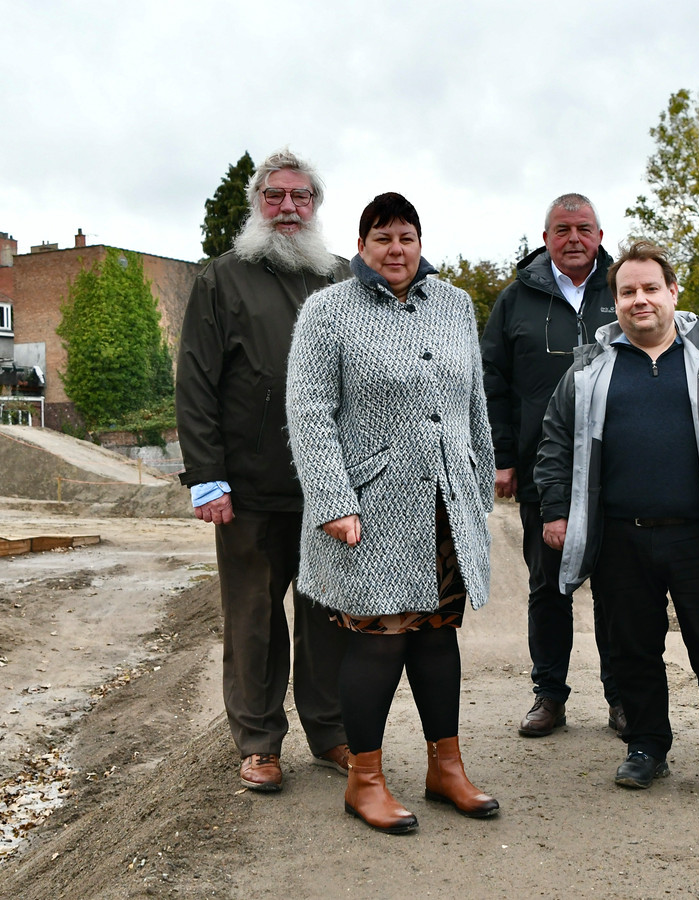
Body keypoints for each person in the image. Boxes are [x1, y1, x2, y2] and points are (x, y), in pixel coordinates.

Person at [536, 240, 699, 806]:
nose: (639, 299)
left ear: (673, 293)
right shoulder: (590, 366)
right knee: (632, 650)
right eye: (628, 291)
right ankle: (646, 747)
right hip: (621, 535)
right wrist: (556, 508)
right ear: (614, 301)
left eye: (651, 288)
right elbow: (555, 440)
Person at [286, 192, 499, 834]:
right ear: (361, 247)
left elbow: (474, 407)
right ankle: (365, 780)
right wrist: (332, 501)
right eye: (382, 238)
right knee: (379, 643)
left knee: (437, 636)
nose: (396, 250)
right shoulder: (328, 311)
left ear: (420, 242)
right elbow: (309, 411)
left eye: (406, 237)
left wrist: (478, 488)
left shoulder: (455, 305)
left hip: (444, 504)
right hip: (370, 510)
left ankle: (446, 768)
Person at [175, 148, 351, 792]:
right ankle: (260, 742)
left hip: (330, 490)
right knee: (254, 620)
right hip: (247, 488)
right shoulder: (222, 280)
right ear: (257, 203)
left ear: (316, 206)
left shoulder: (340, 280)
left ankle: (331, 734)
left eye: (300, 197)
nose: (287, 208)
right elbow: (196, 382)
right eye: (275, 196)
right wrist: (206, 475)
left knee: (328, 615)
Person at [481, 193, 623, 739]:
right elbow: (491, 381)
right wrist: (502, 456)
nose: (573, 238)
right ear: (546, 238)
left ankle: (622, 696)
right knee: (548, 586)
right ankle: (549, 695)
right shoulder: (517, 299)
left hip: (620, 466)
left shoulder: (623, 287)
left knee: (617, 588)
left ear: (599, 235)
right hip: (548, 468)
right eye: (561, 229)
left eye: (583, 228)